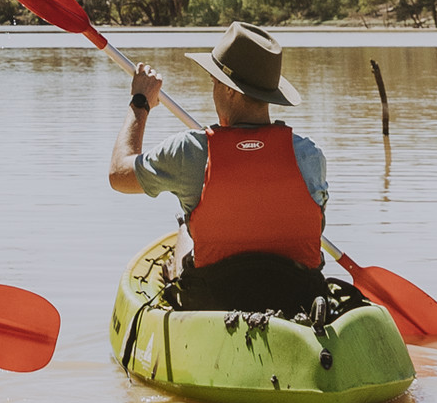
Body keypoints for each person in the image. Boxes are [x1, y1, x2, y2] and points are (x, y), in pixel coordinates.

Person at [107, 19, 335, 315]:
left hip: (213, 301)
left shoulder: (189, 151)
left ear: (230, 91)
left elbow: (118, 174)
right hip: (298, 298)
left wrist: (140, 103)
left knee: (185, 227)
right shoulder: (310, 154)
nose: (212, 88)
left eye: (214, 81)